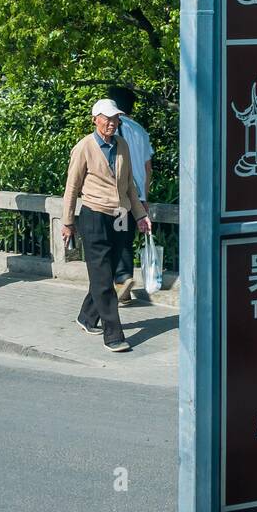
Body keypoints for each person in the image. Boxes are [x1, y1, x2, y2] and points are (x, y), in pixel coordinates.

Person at [61, 99, 151, 352]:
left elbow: (130, 186)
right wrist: (68, 221)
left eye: (115, 119)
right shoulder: (84, 147)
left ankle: (87, 317)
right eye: (107, 119)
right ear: (95, 120)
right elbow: (72, 187)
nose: (112, 123)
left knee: (109, 272)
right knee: (102, 278)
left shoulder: (121, 145)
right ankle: (113, 335)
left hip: (121, 215)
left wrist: (141, 215)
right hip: (94, 216)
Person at [107, 85, 154, 306]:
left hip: (117, 197)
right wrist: (144, 197)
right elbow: (147, 168)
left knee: (117, 239)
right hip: (137, 196)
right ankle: (122, 279)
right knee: (126, 236)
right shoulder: (140, 130)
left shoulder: (109, 130)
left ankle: (121, 279)